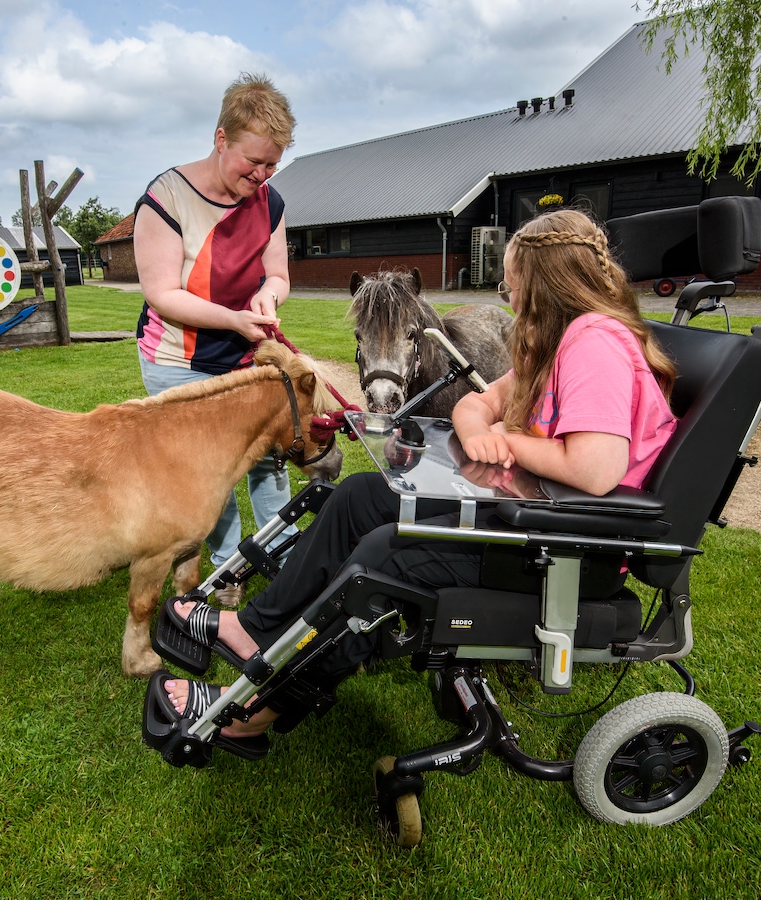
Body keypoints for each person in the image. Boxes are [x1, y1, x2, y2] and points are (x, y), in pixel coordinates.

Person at [160, 207, 680, 748]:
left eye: (512, 284)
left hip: (562, 545)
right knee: (362, 494)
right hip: (523, 513)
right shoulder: (553, 344)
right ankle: (254, 629)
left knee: (385, 556)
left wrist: (505, 441)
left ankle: (257, 710)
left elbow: (596, 470)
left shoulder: (595, 344)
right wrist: (479, 426)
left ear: (547, 285)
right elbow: (478, 403)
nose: (507, 295)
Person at [133, 72, 298, 608]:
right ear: (221, 138)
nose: (263, 174)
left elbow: (278, 274)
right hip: (177, 359)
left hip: (246, 353)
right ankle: (228, 569)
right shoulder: (166, 197)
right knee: (212, 476)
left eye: (272, 164)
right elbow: (161, 293)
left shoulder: (270, 202)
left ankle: (284, 556)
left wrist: (269, 297)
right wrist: (232, 318)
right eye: (254, 161)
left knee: (268, 459)